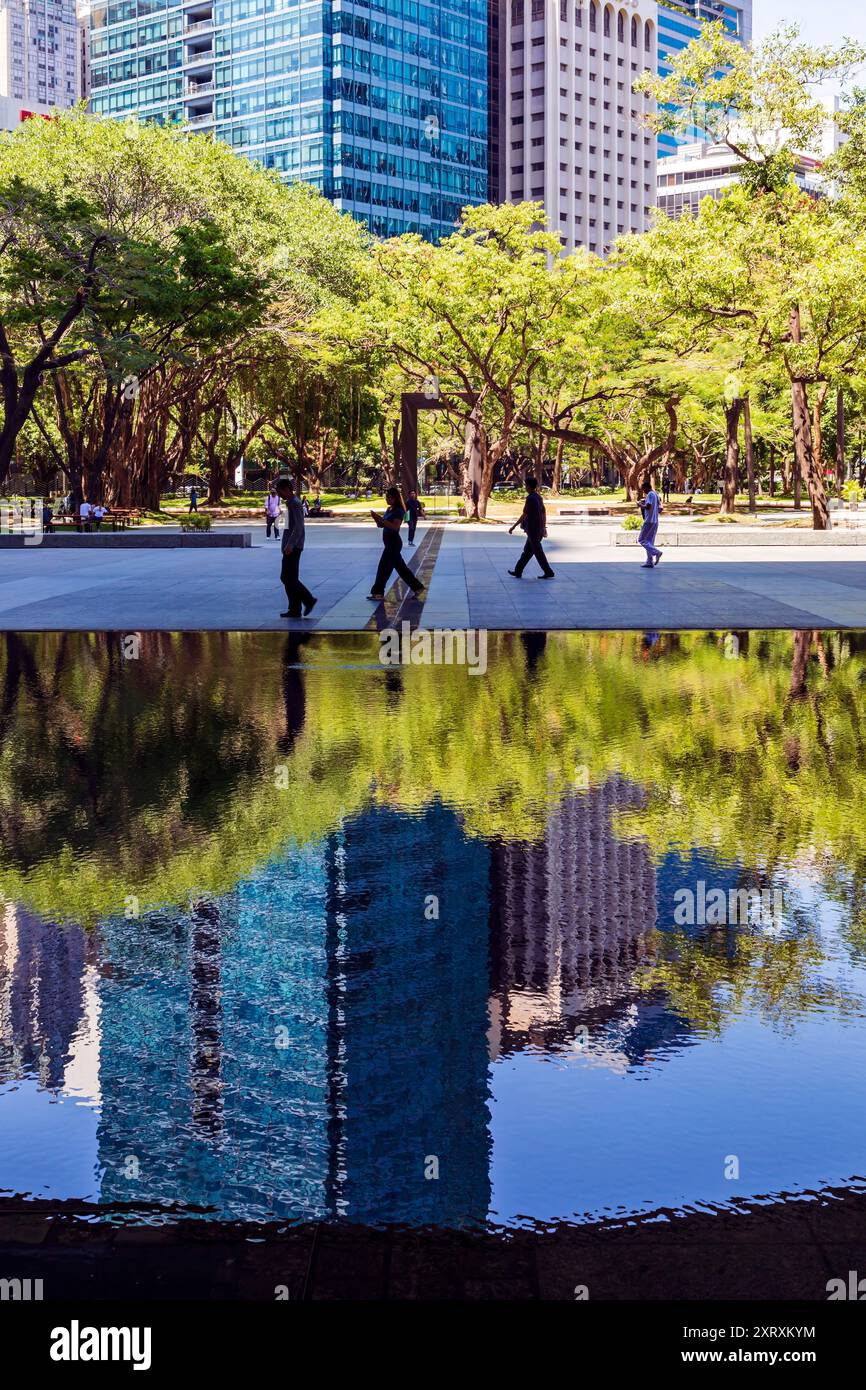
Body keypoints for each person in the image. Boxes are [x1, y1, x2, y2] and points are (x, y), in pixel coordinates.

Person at [368, 486, 425, 601]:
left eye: (389, 497)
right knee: (398, 568)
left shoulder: (398, 510)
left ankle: (378, 592)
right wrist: (376, 518)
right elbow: (381, 525)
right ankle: (417, 587)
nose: (387, 499)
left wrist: (382, 520)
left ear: (395, 498)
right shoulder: (389, 509)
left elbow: (395, 527)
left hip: (393, 542)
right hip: (388, 542)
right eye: (386, 497)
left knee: (384, 568)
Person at [276, 478, 317, 619]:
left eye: (280, 492)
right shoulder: (290, 503)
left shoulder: (295, 503)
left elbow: (299, 527)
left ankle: (308, 600)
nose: (279, 495)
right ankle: (295, 608)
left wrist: (290, 545)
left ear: (287, 489)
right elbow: (289, 527)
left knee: (288, 578)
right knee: (288, 578)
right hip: (290, 546)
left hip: (293, 547)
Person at [508, 476, 554, 579]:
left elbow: (524, 514)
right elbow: (544, 513)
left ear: (528, 486)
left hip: (533, 530)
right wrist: (544, 527)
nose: (525, 487)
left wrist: (513, 527)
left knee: (538, 552)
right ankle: (518, 571)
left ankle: (548, 572)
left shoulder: (530, 498)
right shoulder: (538, 497)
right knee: (528, 551)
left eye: (525, 485)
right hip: (537, 530)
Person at [638, 476, 662, 568]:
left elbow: (647, 506)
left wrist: (640, 505)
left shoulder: (650, 495)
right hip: (655, 521)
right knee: (649, 542)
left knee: (642, 539)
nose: (643, 491)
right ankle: (649, 561)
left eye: (643, 489)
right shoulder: (656, 494)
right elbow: (660, 508)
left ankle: (656, 552)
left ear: (647, 487)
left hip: (649, 521)